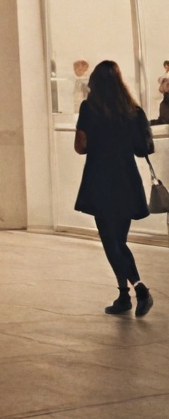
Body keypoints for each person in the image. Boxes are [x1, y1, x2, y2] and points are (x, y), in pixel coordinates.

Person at [73, 60, 155, 314]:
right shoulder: (132, 110)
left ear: (95, 82)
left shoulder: (89, 108)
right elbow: (143, 148)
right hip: (127, 180)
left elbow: (80, 146)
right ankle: (124, 296)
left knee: (111, 241)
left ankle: (138, 289)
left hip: (100, 180)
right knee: (118, 239)